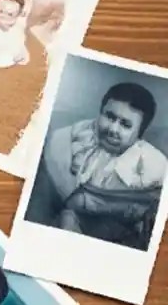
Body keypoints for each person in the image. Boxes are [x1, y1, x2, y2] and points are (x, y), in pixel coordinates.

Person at [35, 81, 168, 249]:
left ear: (140, 132)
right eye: (109, 117)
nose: (113, 128)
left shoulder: (152, 165)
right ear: (100, 112)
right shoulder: (72, 138)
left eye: (125, 125)